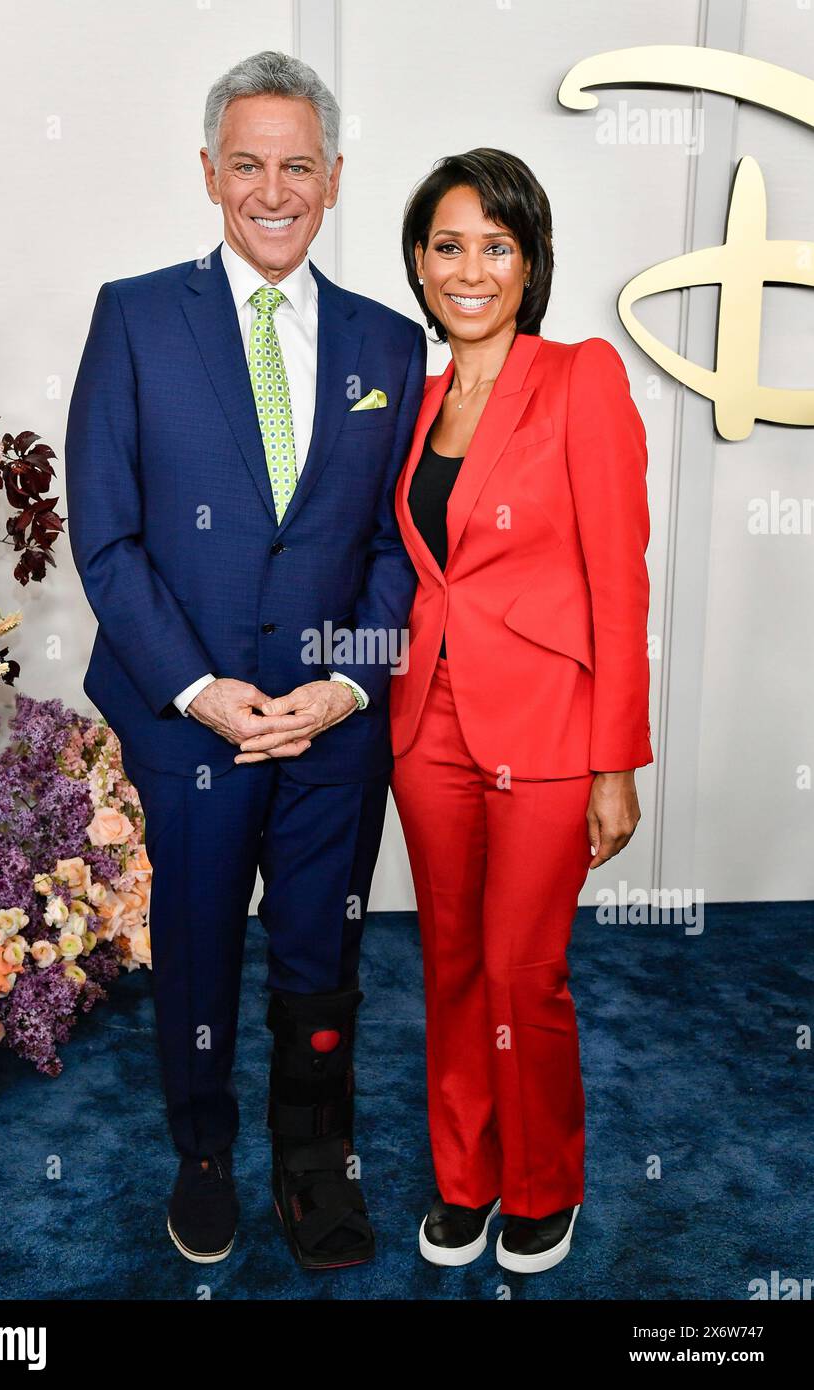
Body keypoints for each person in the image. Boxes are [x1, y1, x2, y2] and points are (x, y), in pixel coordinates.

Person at [64, 51, 426, 1270]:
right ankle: (204, 1151)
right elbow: (104, 534)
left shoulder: (390, 339)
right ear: (210, 171)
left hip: (332, 725)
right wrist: (201, 690)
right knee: (203, 937)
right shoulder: (133, 314)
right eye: (248, 164)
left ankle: (315, 1163)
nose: (273, 190)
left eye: (299, 166)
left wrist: (343, 683)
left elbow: (396, 547)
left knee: (322, 956)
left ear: (333, 179)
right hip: (189, 721)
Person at [390, 149, 652, 1273]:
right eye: (448, 244)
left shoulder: (579, 375)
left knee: (518, 967)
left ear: (532, 261)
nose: (470, 267)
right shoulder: (420, 393)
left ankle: (544, 1179)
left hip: (548, 724)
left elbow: (619, 574)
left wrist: (615, 760)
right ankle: (467, 1174)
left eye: (496, 245)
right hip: (427, 724)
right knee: (447, 958)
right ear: (417, 260)